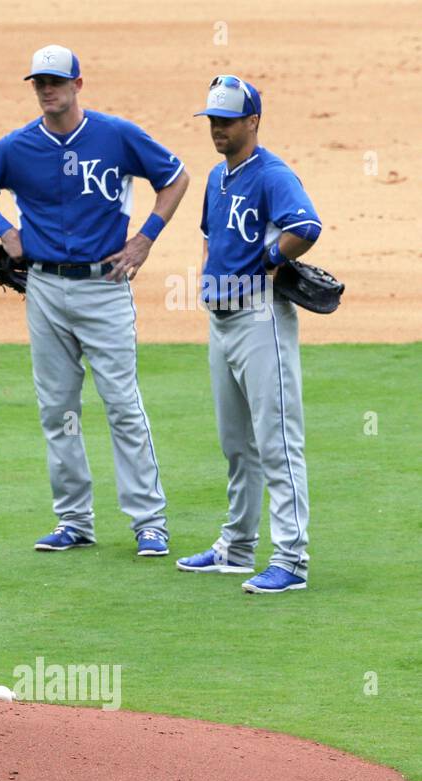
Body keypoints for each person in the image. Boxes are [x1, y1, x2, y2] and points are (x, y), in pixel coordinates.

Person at [0, 44, 190, 558]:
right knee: (56, 409)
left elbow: (175, 177)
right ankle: (74, 521)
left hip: (105, 287)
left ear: (78, 85)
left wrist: (146, 237)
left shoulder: (117, 136)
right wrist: (4, 230)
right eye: (38, 83)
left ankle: (149, 522)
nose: (46, 90)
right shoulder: (17, 147)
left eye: (55, 82)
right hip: (43, 288)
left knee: (123, 405)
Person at [175, 76, 321, 594]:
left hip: (261, 320)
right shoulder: (217, 177)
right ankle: (236, 548)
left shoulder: (273, 174)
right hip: (221, 322)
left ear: (252, 121)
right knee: (236, 444)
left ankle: (291, 560)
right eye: (212, 119)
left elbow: (306, 226)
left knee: (277, 440)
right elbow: (212, 239)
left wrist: (270, 259)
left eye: (228, 120)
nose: (217, 127)